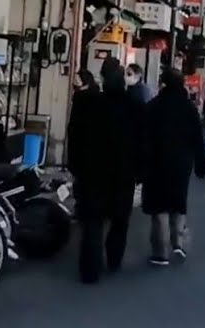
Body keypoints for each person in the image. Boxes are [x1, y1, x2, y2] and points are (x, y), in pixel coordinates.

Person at [66, 57, 144, 283]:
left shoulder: (88, 103)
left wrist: (75, 166)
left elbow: (75, 136)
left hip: (92, 172)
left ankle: (90, 269)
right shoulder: (134, 106)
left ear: (101, 78)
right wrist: (140, 170)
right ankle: (114, 259)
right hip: (123, 173)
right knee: (120, 219)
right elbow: (142, 141)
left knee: (92, 221)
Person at [141, 69, 205, 266]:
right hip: (182, 164)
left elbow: (143, 138)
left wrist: (141, 164)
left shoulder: (153, 107)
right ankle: (178, 242)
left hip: (157, 163)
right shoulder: (189, 108)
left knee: (159, 207)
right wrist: (200, 165)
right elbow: (197, 137)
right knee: (178, 203)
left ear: (163, 84)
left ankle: (160, 252)